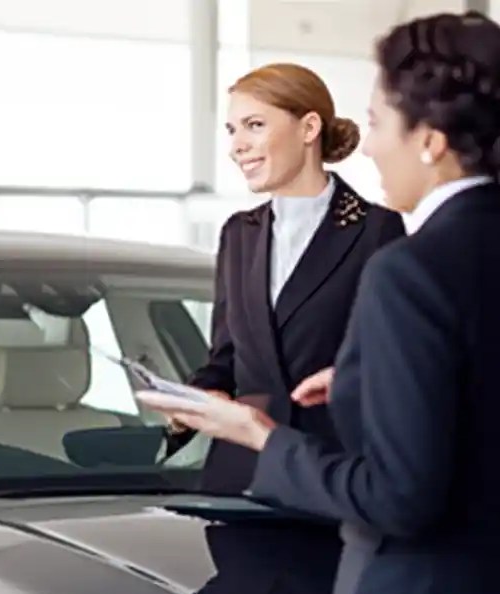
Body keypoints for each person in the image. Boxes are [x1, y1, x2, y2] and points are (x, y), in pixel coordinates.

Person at [139, 11, 500, 594]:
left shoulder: (406, 266)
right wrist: (371, 381)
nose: (366, 146)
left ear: (429, 140)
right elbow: (482, 405)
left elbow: (401, 497)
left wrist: (258, 437)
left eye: (377, 123)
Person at [170, 62, 405, 494]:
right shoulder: (239, 233)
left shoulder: (376, 231)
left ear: (308, 128)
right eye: (232, 131)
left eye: (254, 126)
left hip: (333, 473)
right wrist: (198, 398)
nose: (238, 146)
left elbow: (393, 361)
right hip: (240, 481)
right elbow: (225, 359)